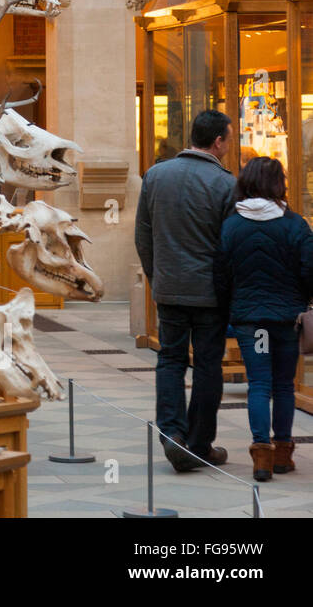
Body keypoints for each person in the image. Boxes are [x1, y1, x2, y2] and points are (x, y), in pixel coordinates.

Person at [135, 109, 236, 472]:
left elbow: (143, 236)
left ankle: (173, 435)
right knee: (208, 366)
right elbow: (230, 245)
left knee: (171, 360)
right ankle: (198, 443)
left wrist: (156, 276)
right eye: (229, 138)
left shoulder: (156, 175)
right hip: (209, 294)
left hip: (171, 288)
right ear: (218, 141)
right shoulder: (226, 184)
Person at [214, 157, 313, 482]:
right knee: (284, 384)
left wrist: (229, 307)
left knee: (258, 383)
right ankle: (283, 452)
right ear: (278, 184)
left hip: (248, 317)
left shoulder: (231, 225)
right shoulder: (295, 224)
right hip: (286, 317)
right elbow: (309, 270)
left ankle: (261, 456)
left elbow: (222, 275)